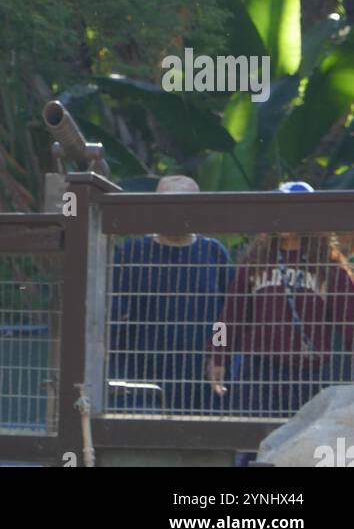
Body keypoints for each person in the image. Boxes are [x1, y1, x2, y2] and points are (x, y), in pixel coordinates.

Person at [207, 181, 354, 419]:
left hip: (307, 374)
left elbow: (350, 321)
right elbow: (228, 316)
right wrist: (217, 355)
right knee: (251, 441)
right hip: (257, 371)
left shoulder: (330, 267)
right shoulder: (255, 261)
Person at [108, 175, 233, 414]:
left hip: (201, 379)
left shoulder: (214, 253)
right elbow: (111, 315)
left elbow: (228, 315)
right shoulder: (133, 253)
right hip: (141, 379)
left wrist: (219, 357)